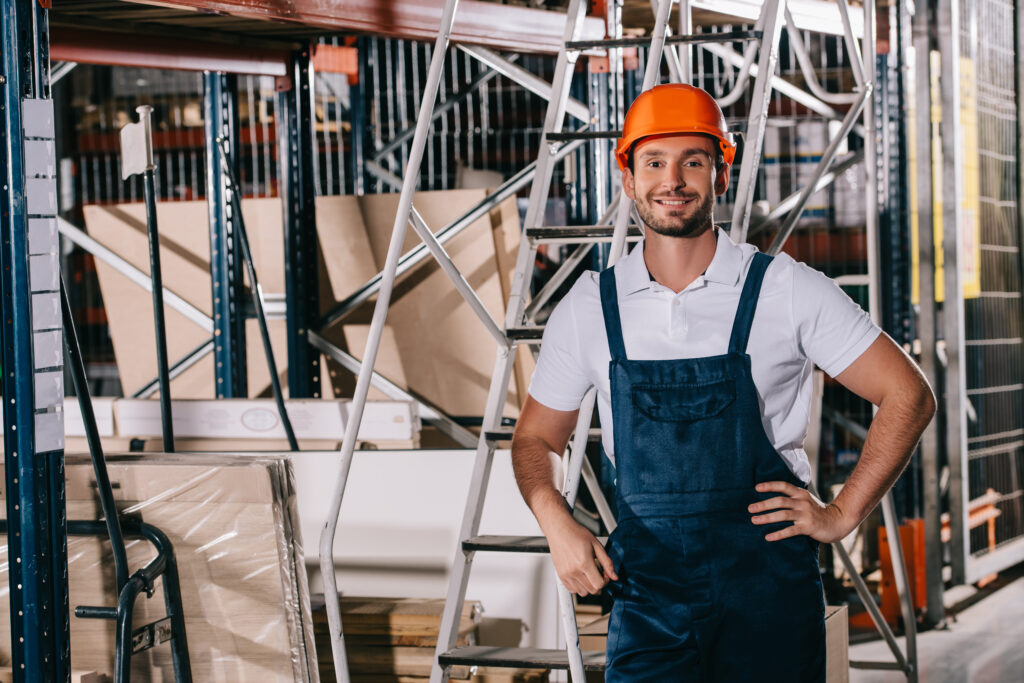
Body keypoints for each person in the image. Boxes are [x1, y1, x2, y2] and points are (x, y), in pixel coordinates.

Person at [510, 83, 936, 682]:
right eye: (654, 162)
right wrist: (556, 521)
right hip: (649, 598)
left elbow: (909, 394)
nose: (673, 180)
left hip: (768, 595)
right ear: (628, 178)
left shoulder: (786, 290)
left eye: (694, 161)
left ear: (722, 175)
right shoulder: (590, 308)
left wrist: (841, 515)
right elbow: (534, 439)